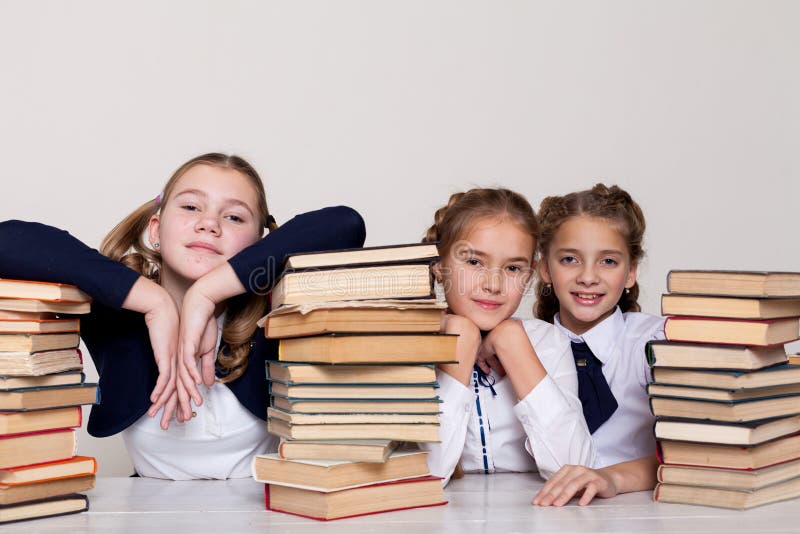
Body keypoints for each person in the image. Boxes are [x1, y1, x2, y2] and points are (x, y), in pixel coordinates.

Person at [0, 153, 366, 479]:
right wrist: (153, 301)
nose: (209, 224)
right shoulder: (117, 315)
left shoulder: (272, 313)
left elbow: (346, 224)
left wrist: (206, 294)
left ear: (258, 247)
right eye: (191, 208)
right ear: (156, 231)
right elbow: (9, 240)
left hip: (266, 511)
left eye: (235, 216)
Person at [418, 188, 593, 485]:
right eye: (474, 262)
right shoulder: (406, 345)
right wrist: (459, 346)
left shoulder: (548, 343)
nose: (494, 284)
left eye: (512, 268)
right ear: (439, 266)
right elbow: (428, 475)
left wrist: (513, 344)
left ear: (530, 273)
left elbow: (574, 470)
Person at [528, 183, 664, 506]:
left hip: (642, 514)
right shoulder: (524, 347)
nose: (588, 277)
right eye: (570, 259)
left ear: (631, 272)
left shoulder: (654, 344)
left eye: (608, 262)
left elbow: (695, 449)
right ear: (545, 268)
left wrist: (612, 478)